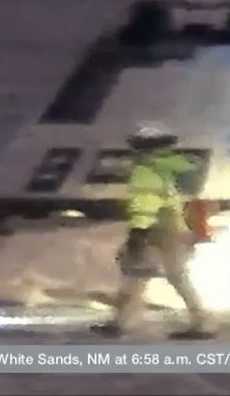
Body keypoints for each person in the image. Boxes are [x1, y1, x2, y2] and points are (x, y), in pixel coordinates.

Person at [92, 122, 213, 339]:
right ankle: (122, 322)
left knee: (140, 272)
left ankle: (200, 323)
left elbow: (145, 202)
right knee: (160, 274)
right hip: (171, 225)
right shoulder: (167, 165)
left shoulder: (145, 169)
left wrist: (138, 231)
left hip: (152, 226)